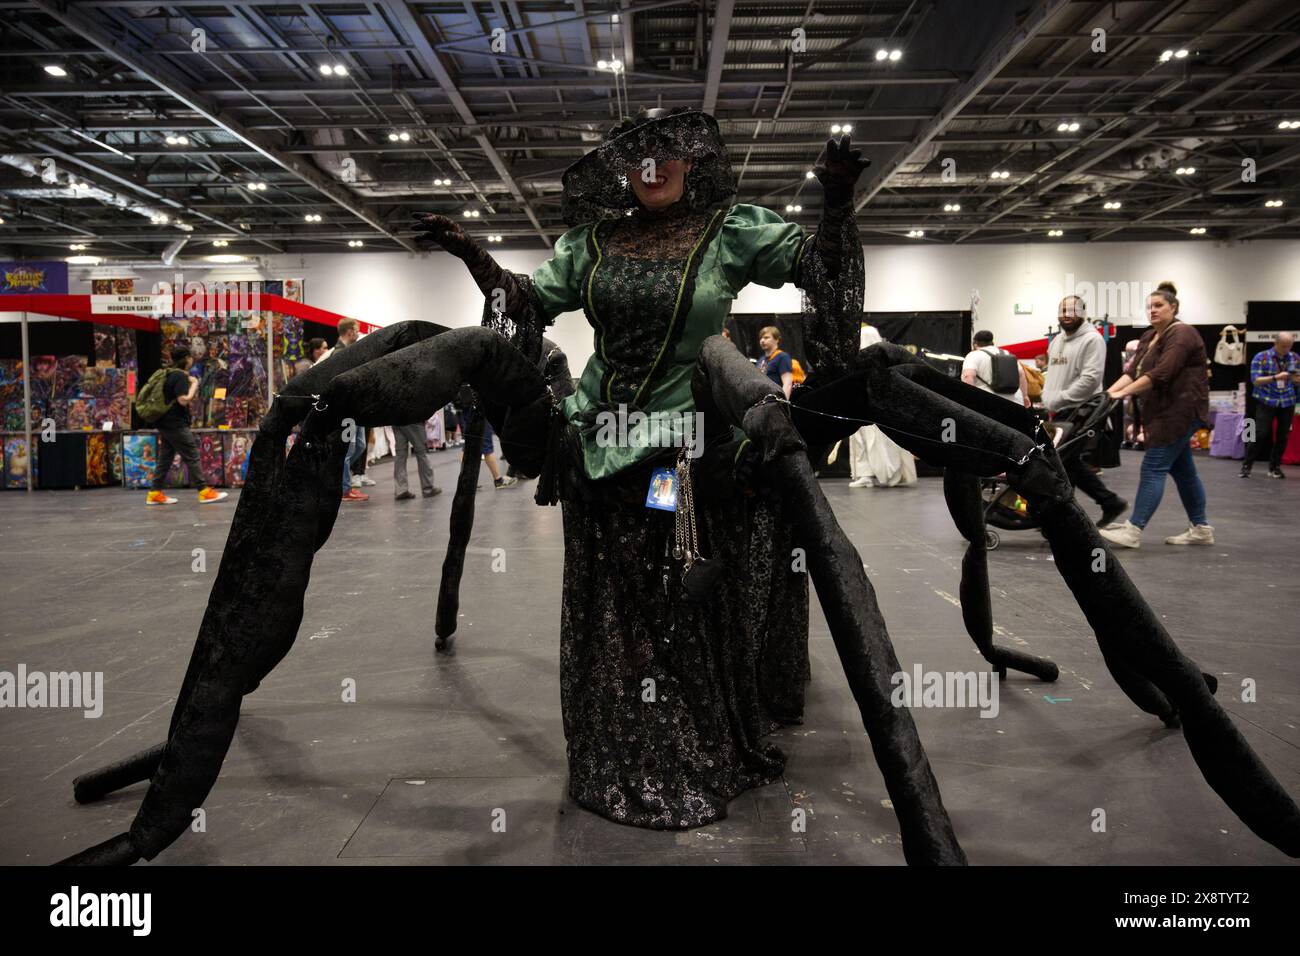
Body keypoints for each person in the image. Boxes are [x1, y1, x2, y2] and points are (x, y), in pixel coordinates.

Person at [413, 107, 866, 830]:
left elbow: (819, 271)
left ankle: (686, 745)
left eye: (665, 156)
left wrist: (837, 201)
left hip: (678, 450)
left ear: (688, 161)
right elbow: (528, 304)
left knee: (674, 596)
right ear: (623, 169)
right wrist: (474, 256)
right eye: (638, 159)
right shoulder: (594, 242)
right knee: (609, 605)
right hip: (597, 445)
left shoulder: (728, 230)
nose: (652, 170)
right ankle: (613, 749)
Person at [1100, 282, 1212, 548]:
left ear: (1174, 307)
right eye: (1149, 306)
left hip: (1180, 413)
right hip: (1163, 412)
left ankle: (1134, 530)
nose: (1152, 310)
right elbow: (1133, 370)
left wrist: (1122, 394)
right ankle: (1201, 528)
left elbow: (1162, 373)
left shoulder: (1182, 334)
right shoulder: (1150, 337)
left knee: (1153, 467)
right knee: (1184, 471)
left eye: (1159, 305)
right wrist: (1106, 395)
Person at [1041, 295, 1127, 527]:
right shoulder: (1057, 340)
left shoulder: (1092, 340)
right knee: (1067, 463)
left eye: (1073, 310)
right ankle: (1102, 505)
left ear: (1084, 313)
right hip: (1059, 412)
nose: (1067, 315)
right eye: (1063, 310)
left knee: (1064, 462)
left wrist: (1059, 398)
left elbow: (1090, 380)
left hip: (1079, 412)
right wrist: (1046, 398)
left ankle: (1067, 515)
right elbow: (1054, 375)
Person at [145, 345, 229, 506]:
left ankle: (154, 492)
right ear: (186, 359)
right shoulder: (179, 376)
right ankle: (204, 491)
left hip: (164, 422)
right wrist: (195, 385)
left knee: (166, 457)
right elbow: (183, 399)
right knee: (191, 453)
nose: (191, 360)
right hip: (175, 423)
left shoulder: (169, 374)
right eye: (190, 357)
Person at [320, 319, 369, 502]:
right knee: (347, 450)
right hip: (345, 408)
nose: (358, 333)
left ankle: (340, 480)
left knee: (359, 446)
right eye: (356, 330)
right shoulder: (340, 353)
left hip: (354, 407)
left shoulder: (347, 351)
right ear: (349, 332)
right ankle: (344, 489)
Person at [1241, 331, 1297, 479]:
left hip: (1287, 400)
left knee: (1283, 435)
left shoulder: (1295, 357)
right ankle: (1247, 465)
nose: (1287, 349)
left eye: (1289, 346)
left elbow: (1297, 380)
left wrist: (1295, 378)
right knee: (1260, 433)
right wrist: (1275, 377)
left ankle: (1275, 467)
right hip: (1266, 400)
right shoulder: (1261, 357)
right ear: (1276, 343)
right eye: (1284, 346)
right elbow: (1256, 380)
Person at [962, 330, 1029, 407]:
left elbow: (968, 376)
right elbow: (1021, 375)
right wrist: (1025, 396)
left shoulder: (973, 355)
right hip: (1015, 401)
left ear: (975, 343)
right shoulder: (1007, 353)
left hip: (988, 402)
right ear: (992, 342)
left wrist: (967, 398)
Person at [393, 423, 441, 499]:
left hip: (396, 419)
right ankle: (428, 488)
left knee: (400, 455)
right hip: (413, 420)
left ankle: (401, 490)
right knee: (422, 452)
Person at [756, 325, 794, 398]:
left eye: (766, 337)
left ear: (777, 340)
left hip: (775, 401)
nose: (762, 340)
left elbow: (787, 383)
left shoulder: (782, 357)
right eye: (761, 338)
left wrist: (783, 403)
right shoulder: (760, 360)